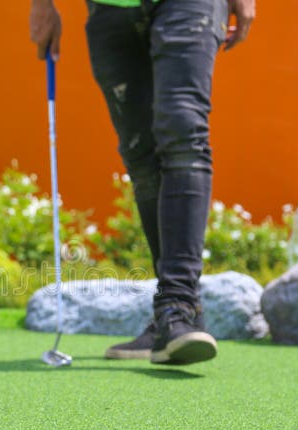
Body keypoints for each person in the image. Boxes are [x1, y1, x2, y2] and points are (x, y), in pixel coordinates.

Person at [29, 0, 255, 365]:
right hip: (110, 7)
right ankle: (176, 317)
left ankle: (177, 306)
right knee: (141, 156)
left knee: (183, 132)